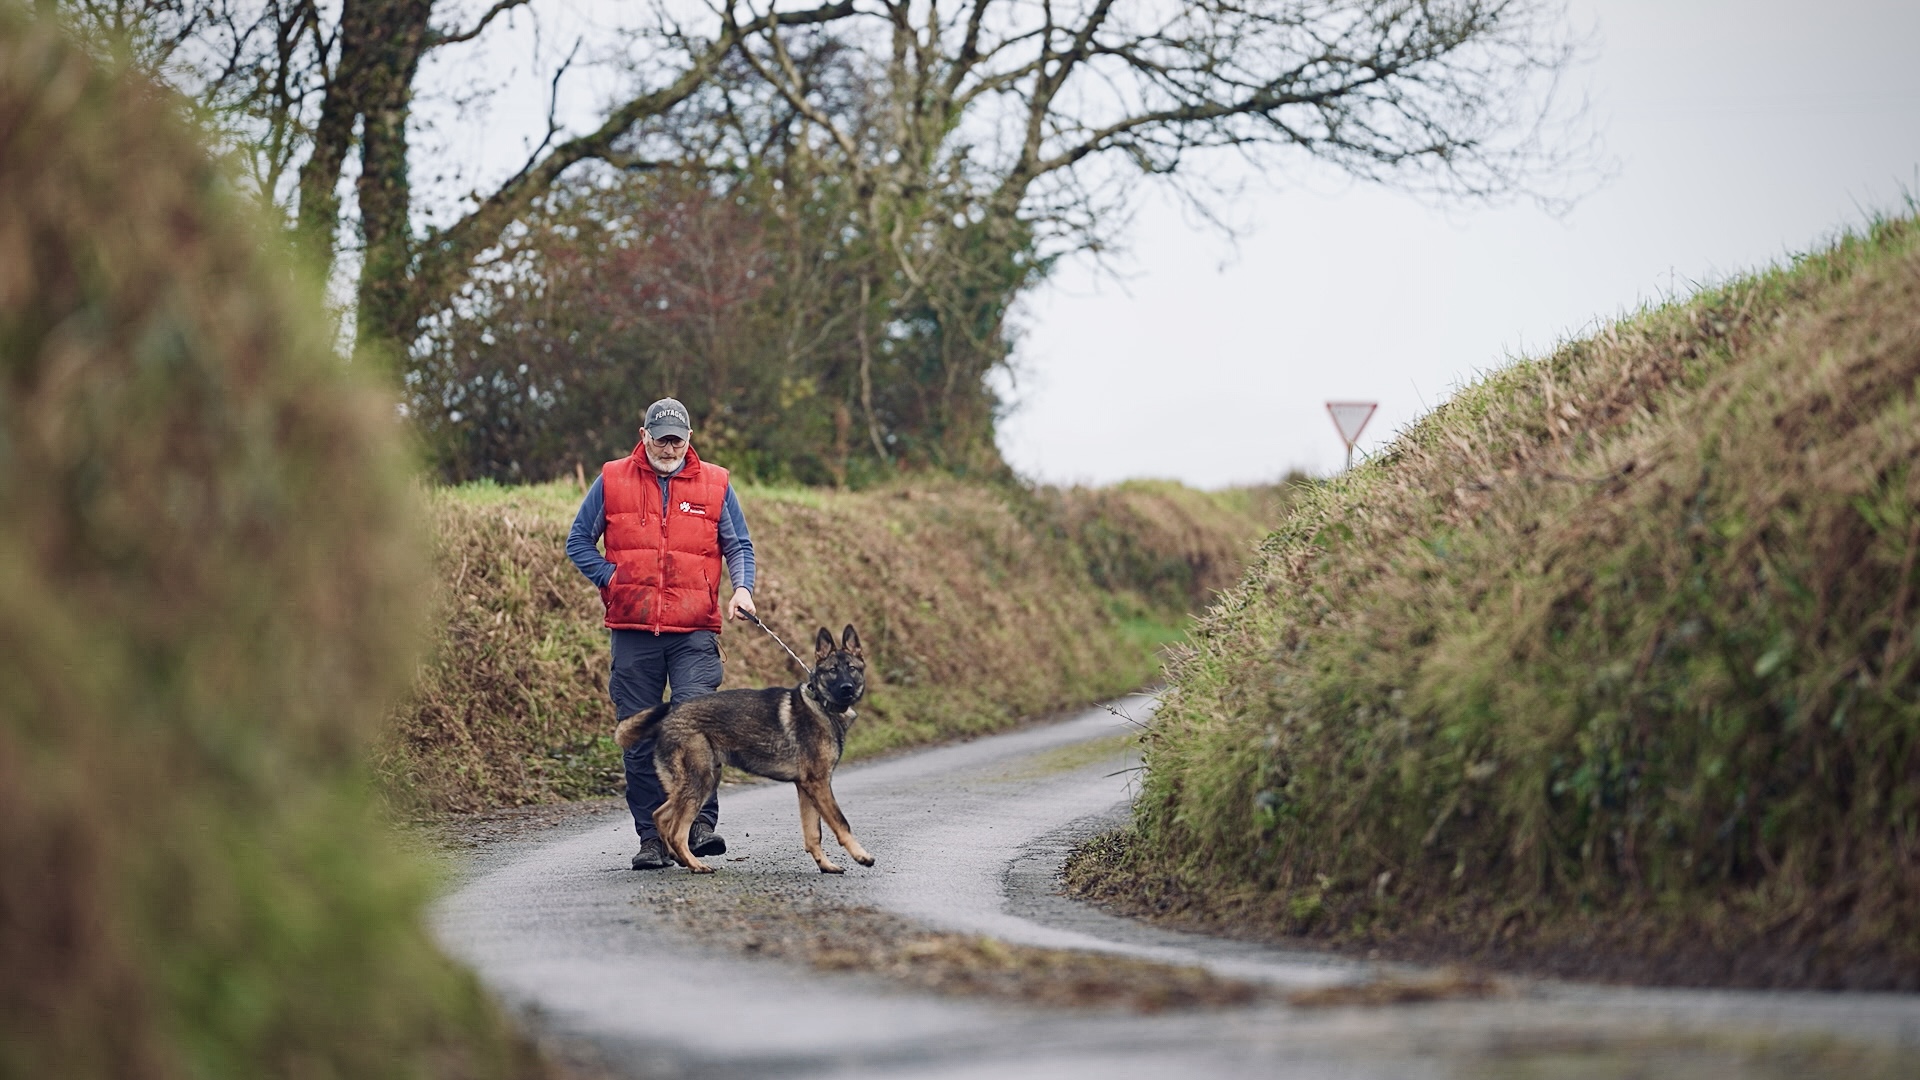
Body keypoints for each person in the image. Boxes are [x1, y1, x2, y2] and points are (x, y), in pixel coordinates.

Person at [567, 397, 758, 870]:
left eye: (677, 438)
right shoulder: (612, 479)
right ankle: (652, 839)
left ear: (689, 439)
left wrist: (743, 590)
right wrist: (614, 580)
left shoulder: (716, 483)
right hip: (634, 631)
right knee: (641, 735)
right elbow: (577, 543)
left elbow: (738, 545)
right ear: (644, 435)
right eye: (661, 438)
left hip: (694, 631)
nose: (669, 447)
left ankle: (698, 825)